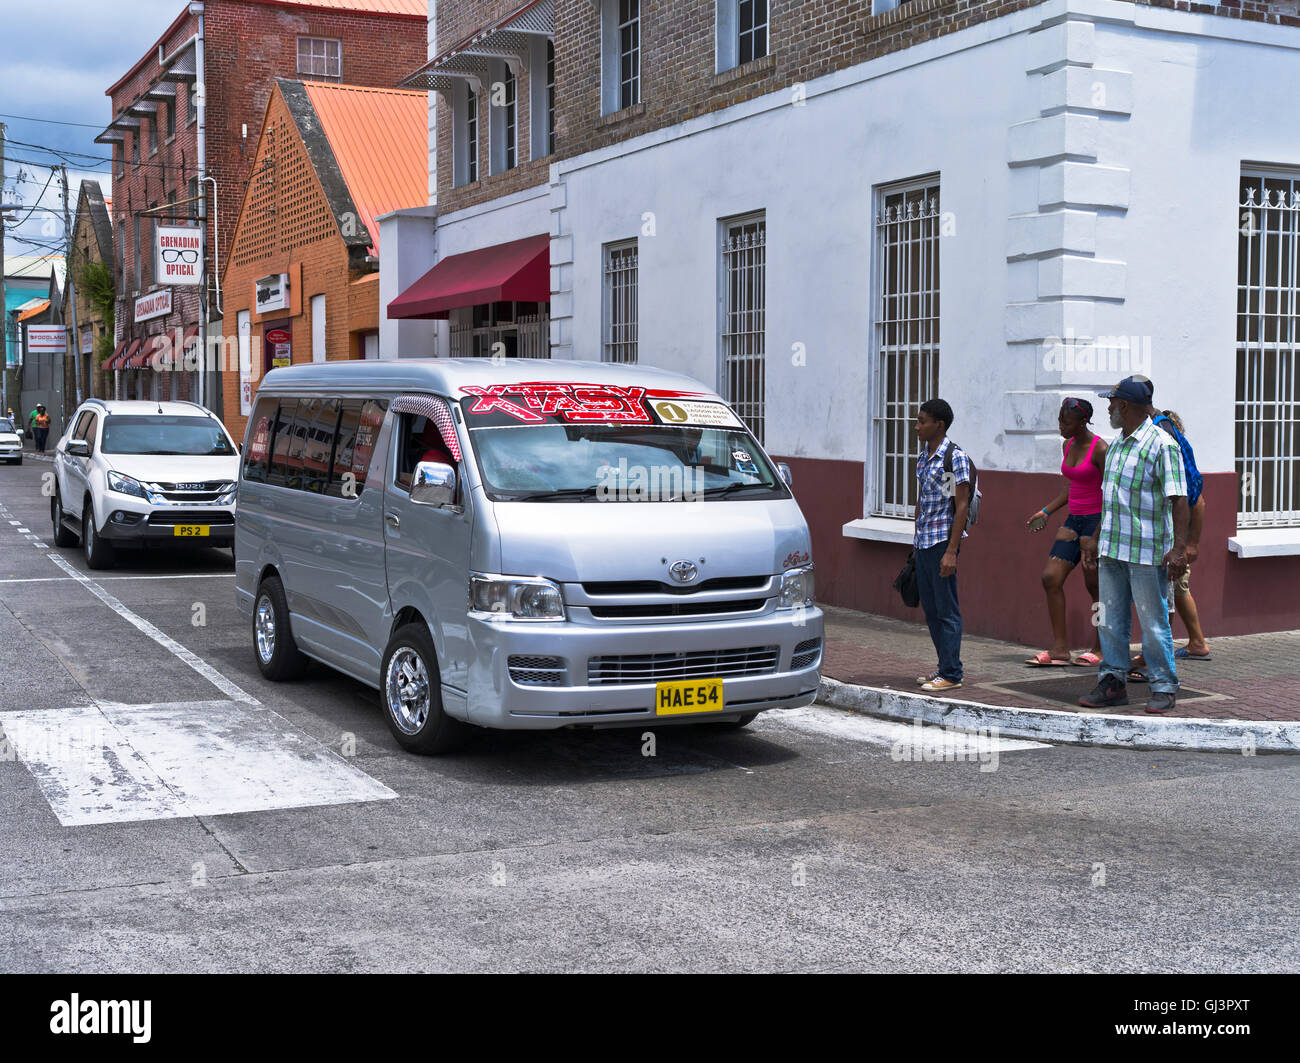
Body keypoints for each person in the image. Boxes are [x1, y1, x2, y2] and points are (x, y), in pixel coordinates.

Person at [1080, 377, 1189, 714]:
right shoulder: (1115, 445)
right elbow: (1110, 500)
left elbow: (1180, 499)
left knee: (1153, 621)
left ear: (1125, 406)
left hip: (1145, 551)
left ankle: (1164, 686)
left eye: (1112, 403)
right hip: (1112, 548)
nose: (1109, 408)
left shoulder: (1162, 444)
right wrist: (1096, 538)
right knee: (1110, 618)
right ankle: (1112, 682)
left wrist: (1180, 549)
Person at [1024, 397, 1107, 666]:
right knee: (1050, 578)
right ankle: (1060, 649)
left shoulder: (1100, 449)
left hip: (1096, 522)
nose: (1061, 426)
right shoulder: (1067, 444)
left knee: (1096, 588)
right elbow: (1069, 489)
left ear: (1083, 422)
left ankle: (1101, 648)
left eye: (1066, 422)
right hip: (1074, 520)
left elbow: (1111, 494)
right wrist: (1045, 512)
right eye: (1060, 420)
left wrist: (1097, 537)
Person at [1129, 407, 1210, 678]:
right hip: (1172, 543)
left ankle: (1156, 659)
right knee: (1179, 591)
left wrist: (1189, 545)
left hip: (1174, 545)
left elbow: (1196, 502)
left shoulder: (1178, 465)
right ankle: (1196, 643)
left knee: (1170, 597)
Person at [912, 398, 972, 693]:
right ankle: (943, 666)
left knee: (947, 609)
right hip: (923, 542)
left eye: (922, 421)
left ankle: (952, 672)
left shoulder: (954, 457)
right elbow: (921, 500)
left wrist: (951, 550)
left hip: (941, 542)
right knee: (932, 609)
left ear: (940, 425)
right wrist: (914, 540)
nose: (917, 426)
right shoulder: (925, 456)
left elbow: (961, 506)